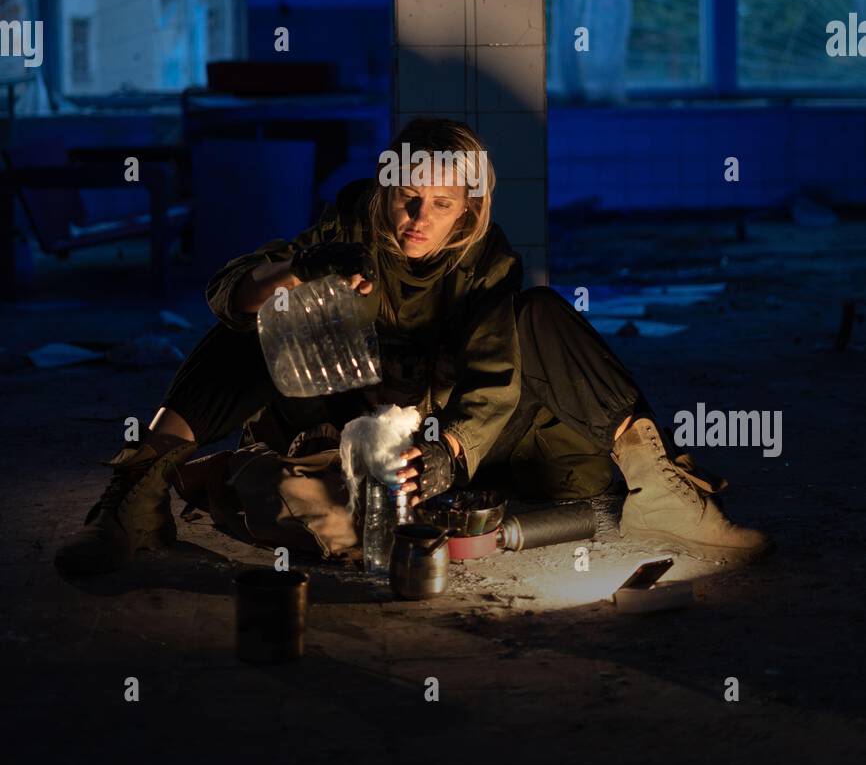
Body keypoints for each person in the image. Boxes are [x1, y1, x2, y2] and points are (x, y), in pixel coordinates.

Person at [55, 116, 771, 575]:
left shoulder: (487, 263)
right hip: (349, 418)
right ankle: (135, 496)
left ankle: (657, 486)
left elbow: (495, 381)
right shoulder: (349, 224)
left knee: (542, 315)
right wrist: (299, 275)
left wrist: (449, 451)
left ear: (469, 207)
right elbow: (227, 295)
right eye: (405, 196)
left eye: (441, 203)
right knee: (257, 320)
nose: (415, 217)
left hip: (462, 432)